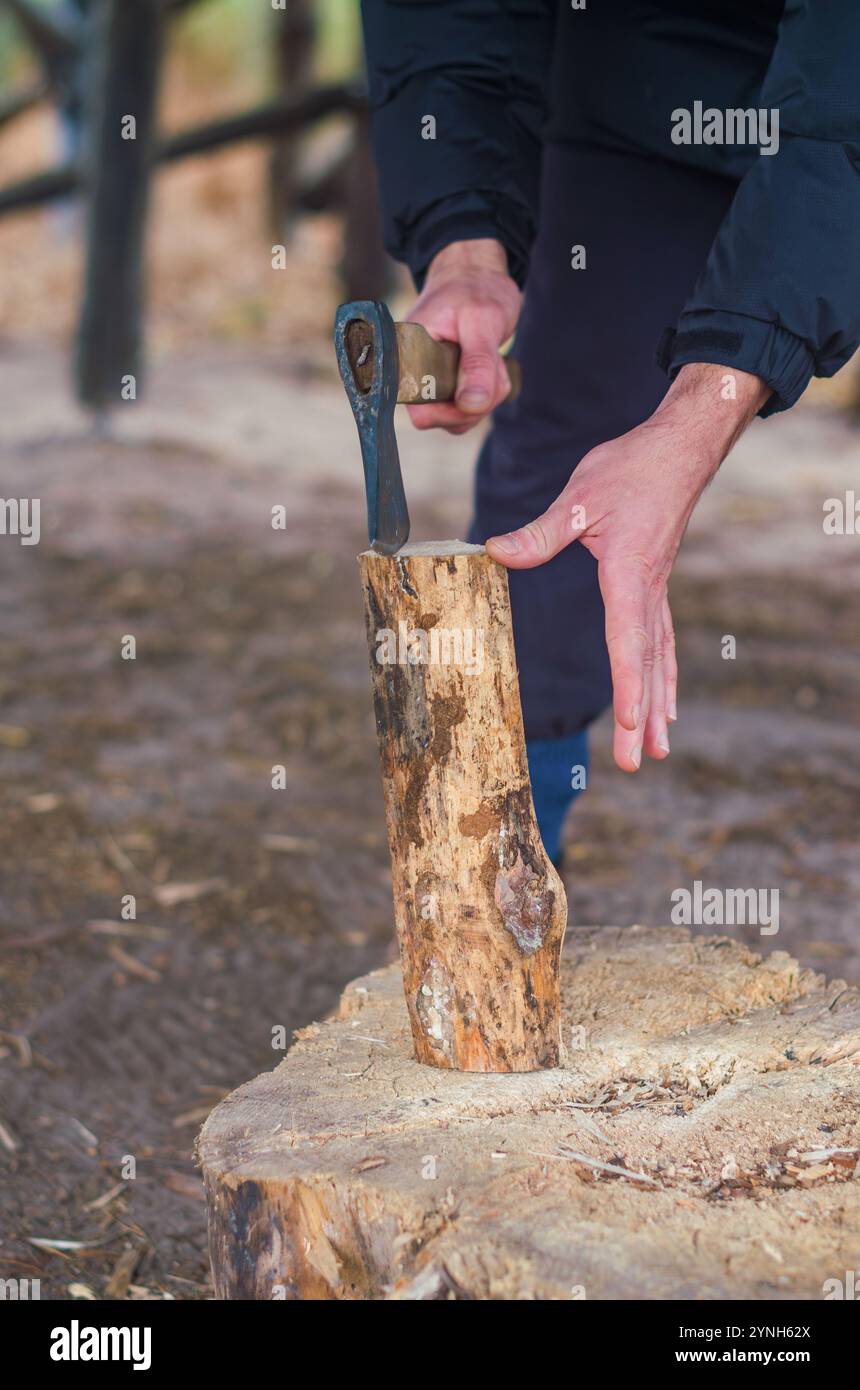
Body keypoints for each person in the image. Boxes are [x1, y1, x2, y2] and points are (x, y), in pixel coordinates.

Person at [359, 1, 860, 863]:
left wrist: (698, 413)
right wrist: (465, 243)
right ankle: (496, 897)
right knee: (558, 511)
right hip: (646, 75)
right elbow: (442, 16)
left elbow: (841, 120)